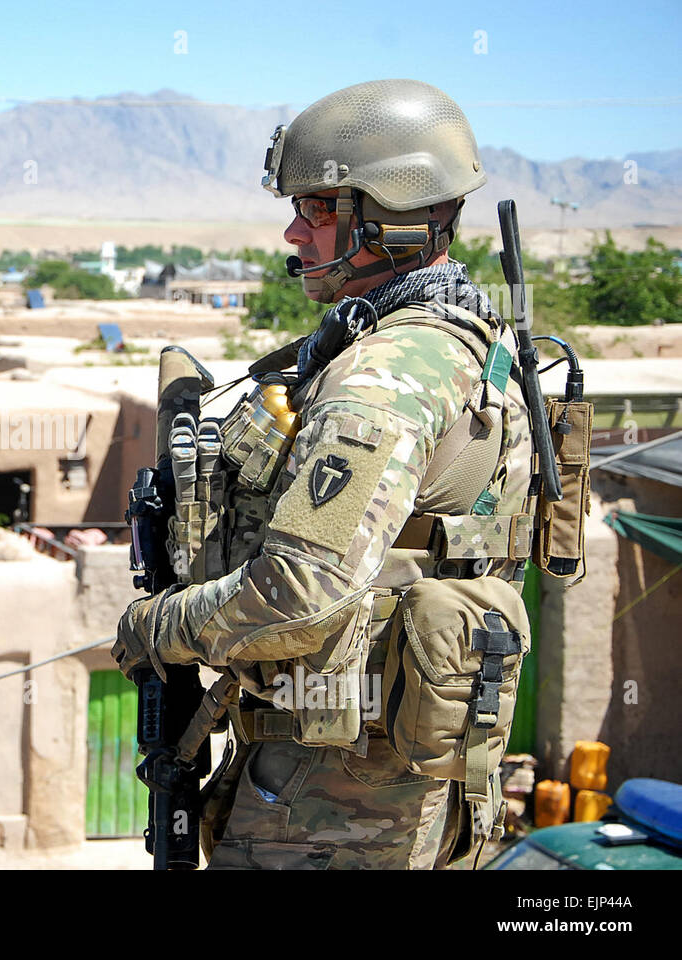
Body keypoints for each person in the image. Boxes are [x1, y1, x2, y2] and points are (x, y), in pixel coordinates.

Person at [114, 78, 535, 869]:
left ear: (390, 215)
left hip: (332, 811)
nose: (293, 231)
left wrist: (154, 628)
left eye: (316, 208)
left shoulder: (386, 377)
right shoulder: (473, 342)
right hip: (384, 793)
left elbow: (302, 594)